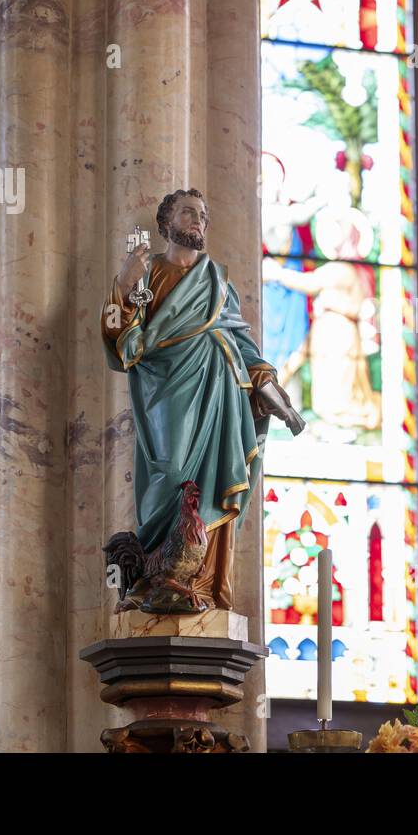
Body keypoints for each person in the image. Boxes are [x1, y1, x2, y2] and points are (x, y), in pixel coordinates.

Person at [102, 189, 305, 610]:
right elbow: (121, 342)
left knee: (209, 487)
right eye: (188, 213)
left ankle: (197, 580)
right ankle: (148, 578)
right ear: (167, 223)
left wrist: (270, 390)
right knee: (172, 472)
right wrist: (123, 283)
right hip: (166, 392)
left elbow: (242, 342)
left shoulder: (217, 280)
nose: (198, 221)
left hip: (221, 395)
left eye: (203, 215)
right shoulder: (147, 274)